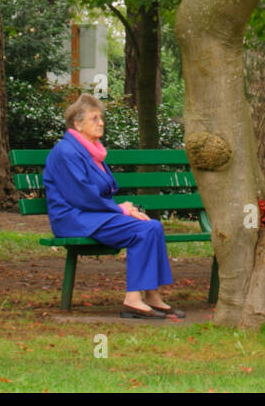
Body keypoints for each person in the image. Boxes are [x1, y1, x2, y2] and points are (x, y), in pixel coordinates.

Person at [42, 93, 183, 319]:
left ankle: (152, 296)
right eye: (94, 118)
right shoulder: (66, 151)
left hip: (92, 215)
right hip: (74, 219)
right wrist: (120, 210)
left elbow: (99, 192)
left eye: (101, 118)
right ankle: (132, 300)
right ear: (77, 124)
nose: (101, 123)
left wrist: (123, 209)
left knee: (153, 226)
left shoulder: (91, 151)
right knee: (144, 229)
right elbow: (82, 195)